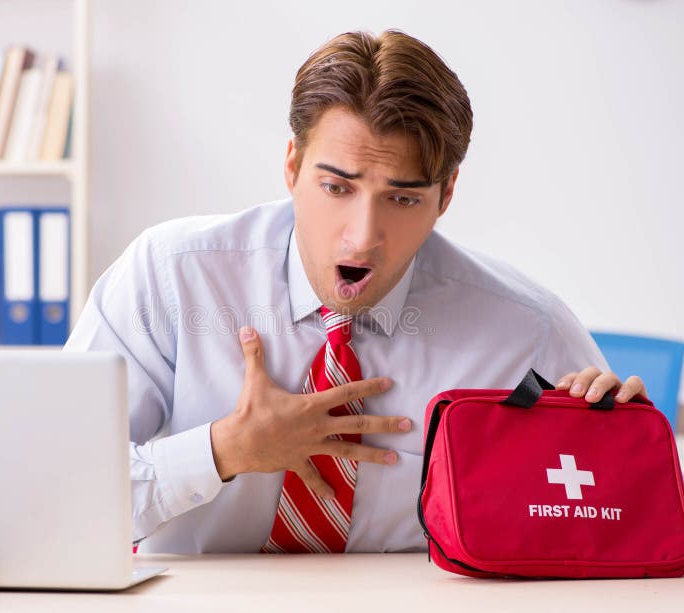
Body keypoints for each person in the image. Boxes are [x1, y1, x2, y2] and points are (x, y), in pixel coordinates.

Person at [64, 29, 647, 553]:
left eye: (403, 198)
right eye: (337, 188)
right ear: (292, 167)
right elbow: (55, 496)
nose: (363, 236)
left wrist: (619, 445)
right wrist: (222, 451)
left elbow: (629, 528)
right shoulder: (168, 277)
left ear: (446, 196)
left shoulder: (527, 331)